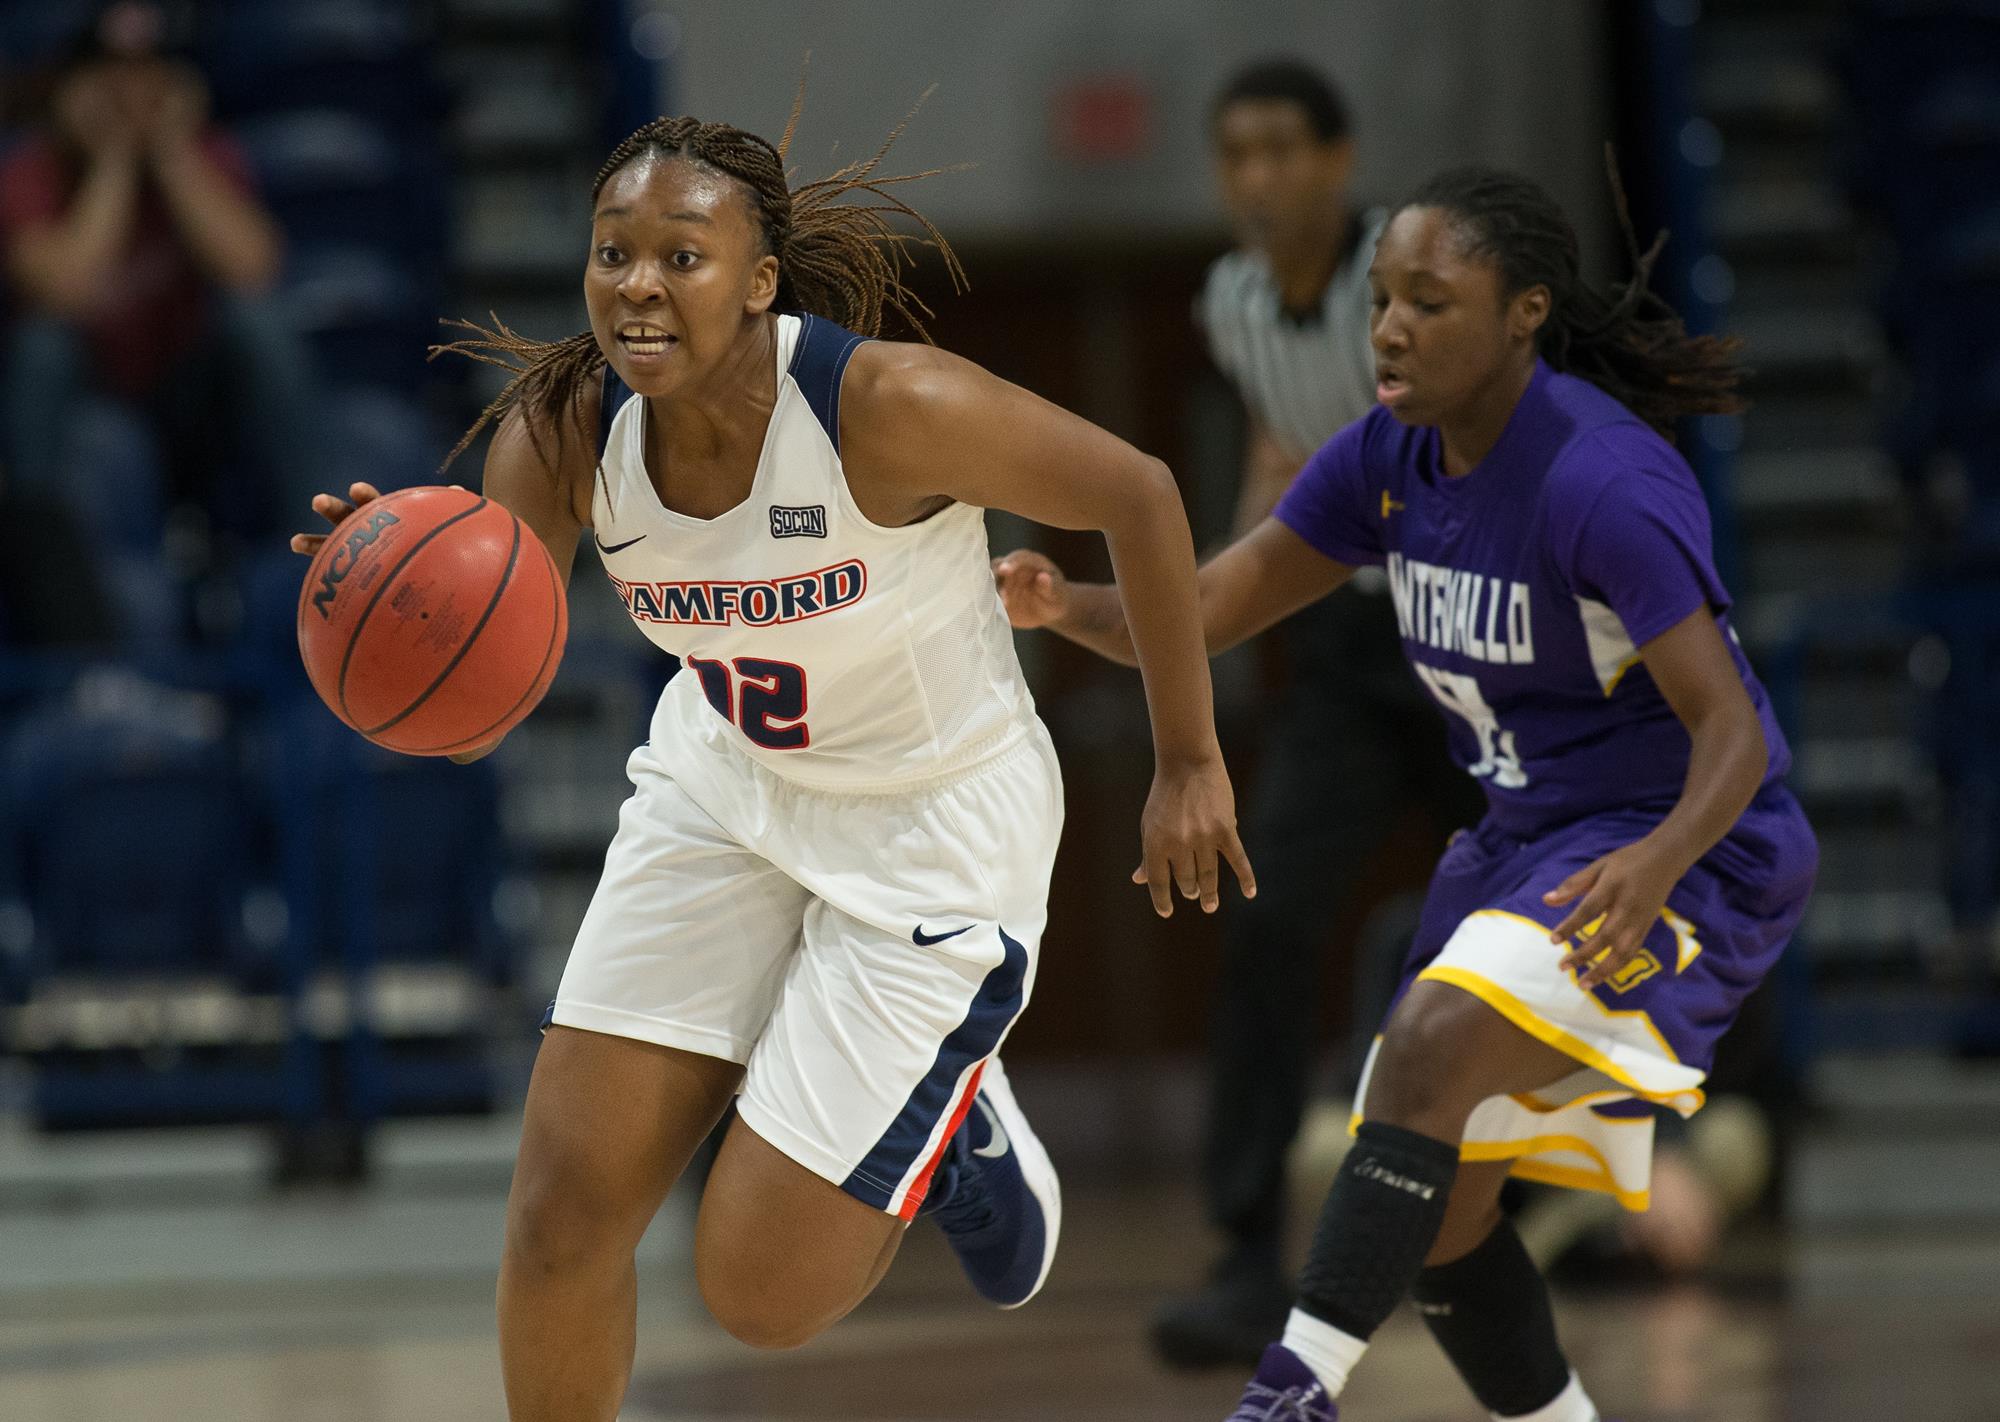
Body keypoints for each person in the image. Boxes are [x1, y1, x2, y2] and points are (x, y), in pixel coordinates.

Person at [292, 110, 1254, 1421]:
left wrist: (1186, 757)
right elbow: (480, 705)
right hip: (725, 788)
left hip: (931, 824)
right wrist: (401, 605)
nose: (637, 284)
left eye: (679, 257)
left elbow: (1138, 492)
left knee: (758, 1294)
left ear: (757, 282)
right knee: (562, 1217)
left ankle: (954, 1119)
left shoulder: (886, 409)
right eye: (613, 252)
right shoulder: (565, 430)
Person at [993, 165, 1817, 1422]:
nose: (1386, 328)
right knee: (1436, 1213)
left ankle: (1286, 1399)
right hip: (1526, 843)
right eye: (1381, 299)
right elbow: (1207, 605)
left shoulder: (1601, 481)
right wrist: (1071, 607)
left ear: (1523, 313)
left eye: (1427, 303)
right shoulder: (1386, 457)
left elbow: (1732, 735)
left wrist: (1655, 864)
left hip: (1683, 851)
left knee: (1424, 1052)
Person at [1154, 59, 1481, 1369]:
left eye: (1283, 149)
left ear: (1339, 162)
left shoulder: (1408, 276)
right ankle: (1245, 1256)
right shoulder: (1229, 300)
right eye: (1236, 152)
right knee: (1267, 917)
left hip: (1475, 628)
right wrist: (1220, 602)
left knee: (1565, 905)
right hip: (1346, 647)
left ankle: (1626, 1183)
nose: (1259, 176)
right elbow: (1279, 455)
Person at [0, 1, 314, 545]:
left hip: (187, 397)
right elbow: (62, 292)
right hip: (86, 395)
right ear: (68, 89)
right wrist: (114, 161)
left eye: (148, 74)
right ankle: (33, 552)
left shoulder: (204, 154)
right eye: (109, 77)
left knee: (257, 324)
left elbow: (255, 271)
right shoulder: (31, 169)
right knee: (42, 345)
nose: (129, 95)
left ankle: (320, 548)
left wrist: (170, 152)